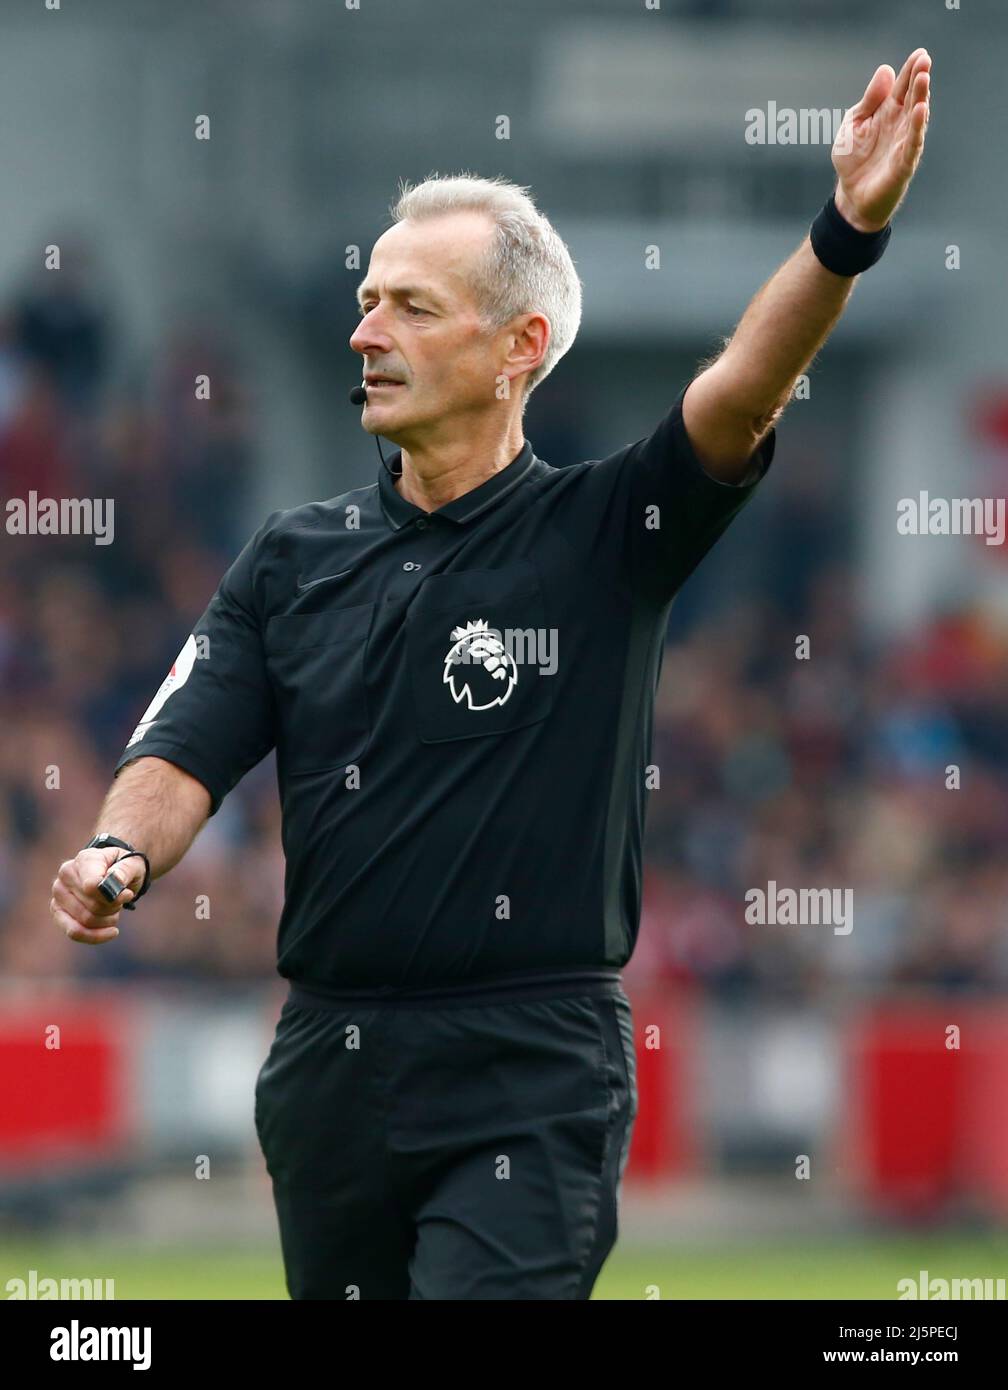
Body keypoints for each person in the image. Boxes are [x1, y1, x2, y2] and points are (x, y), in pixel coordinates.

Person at [49, 49, 931, 1299]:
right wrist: (121, 854)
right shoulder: (291, 558)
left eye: (411, 304)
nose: (367, 330)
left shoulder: (606, 532)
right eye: (365, 299)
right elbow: (184, 745)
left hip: (532, 1063)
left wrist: (846, 231)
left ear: (519, 345)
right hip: (328, 1067)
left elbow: (737, 395)